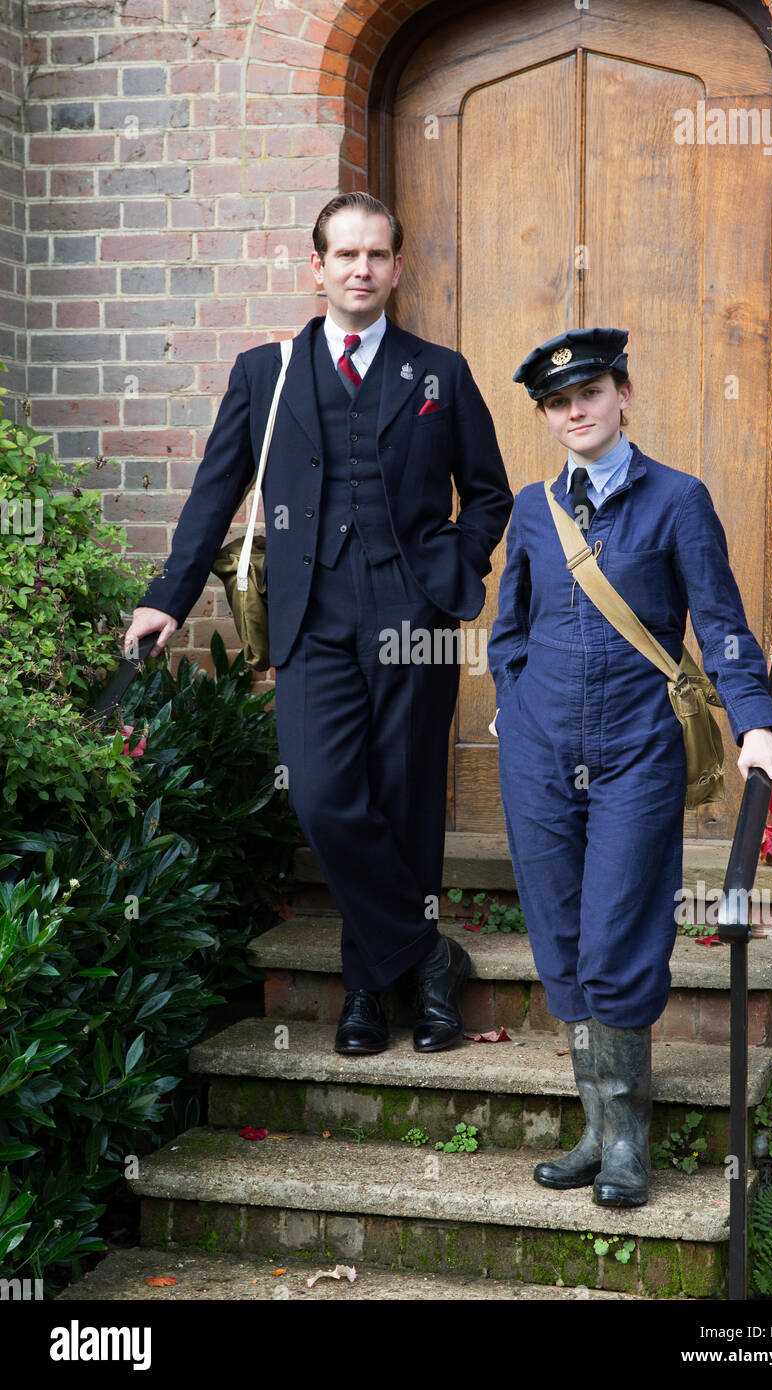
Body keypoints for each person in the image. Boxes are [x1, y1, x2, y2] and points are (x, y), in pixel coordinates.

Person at [123, 193, 513, 1057]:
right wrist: (166, 596)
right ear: (317, 268)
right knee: (326, 797)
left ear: (397, 269)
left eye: (377, 255)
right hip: (310, 615)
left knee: (405, 803)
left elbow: (489, 491)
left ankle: (369, 995)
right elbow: (215, 494)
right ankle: (427, 958)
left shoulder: (439, 372)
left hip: (416, 617)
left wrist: (457, 567)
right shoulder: (266, 372)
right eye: (345, 255)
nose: (361, 270)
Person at [487, 327, 772, 1207]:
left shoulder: (678, 500)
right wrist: (515, 696)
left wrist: (754, 721)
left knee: (620, 933)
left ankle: (628, 1142)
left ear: (623, 395)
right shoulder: (535, 508)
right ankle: (592, 1129)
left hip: (636, 751)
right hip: (540, 753)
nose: (573, 411)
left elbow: (721, 622)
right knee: (559, 937)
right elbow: (509, 627)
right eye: (555, 402)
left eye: (588, 393)